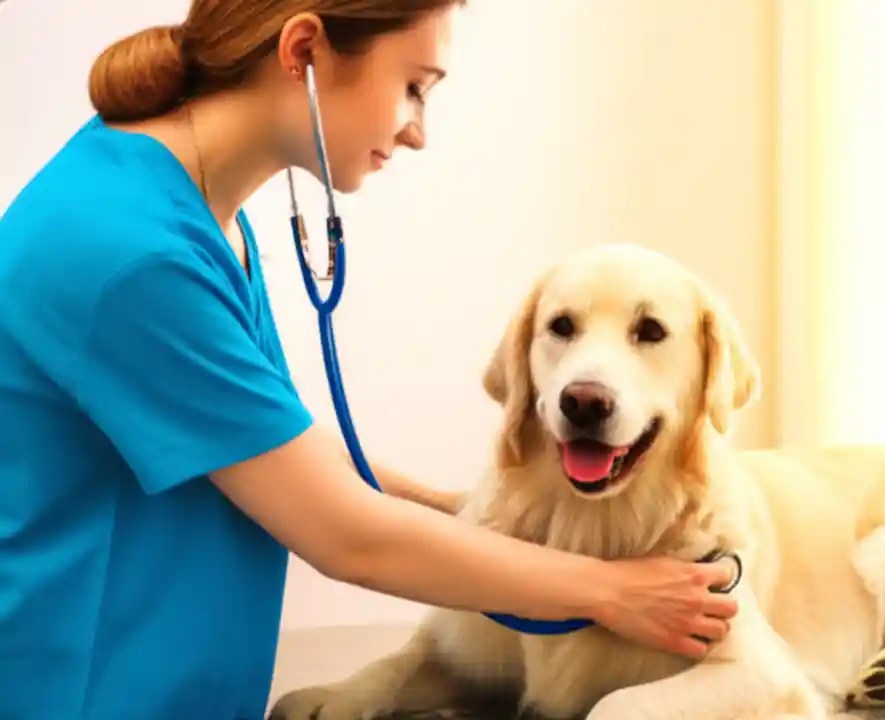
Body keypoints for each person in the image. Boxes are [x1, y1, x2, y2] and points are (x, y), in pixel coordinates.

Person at [0, 2, 738, 718]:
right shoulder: (130, 252)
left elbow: (278, 457)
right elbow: (346, 536)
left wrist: (469, 512)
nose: (417, 131)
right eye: (414, 86)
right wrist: (615, 592)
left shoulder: (186, 211)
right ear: (304, 52)